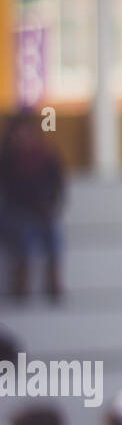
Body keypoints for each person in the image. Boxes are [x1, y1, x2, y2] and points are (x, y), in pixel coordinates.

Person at [0, 112, 65, 300]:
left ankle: (54, 283)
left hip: (41, 212)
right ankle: (21, 284)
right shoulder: (7, 159)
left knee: (54, 234)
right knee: (25, 234)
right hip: (14, 213)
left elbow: (57, 186)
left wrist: (49, 207)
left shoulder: (46, 157)